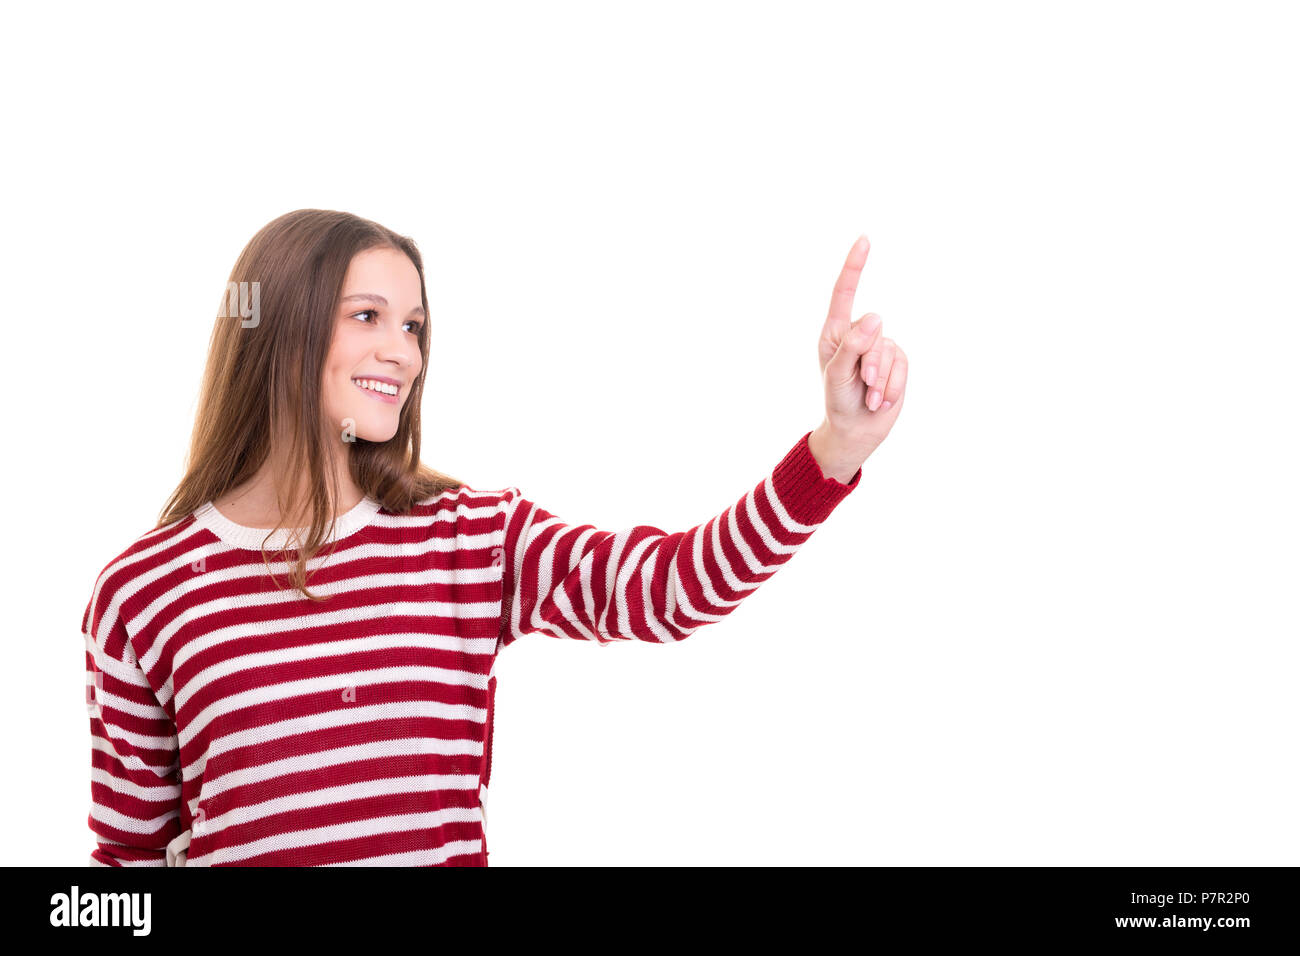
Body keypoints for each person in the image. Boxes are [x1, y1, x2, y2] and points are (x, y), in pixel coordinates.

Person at [81, 209, 908, 866]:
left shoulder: (470, 538)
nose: (402, 354)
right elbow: (129, 862)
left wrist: (834, 449)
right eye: (368, 316)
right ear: (279, 328)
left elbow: (670, 590)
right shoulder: (143, 592)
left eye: (414, 327)